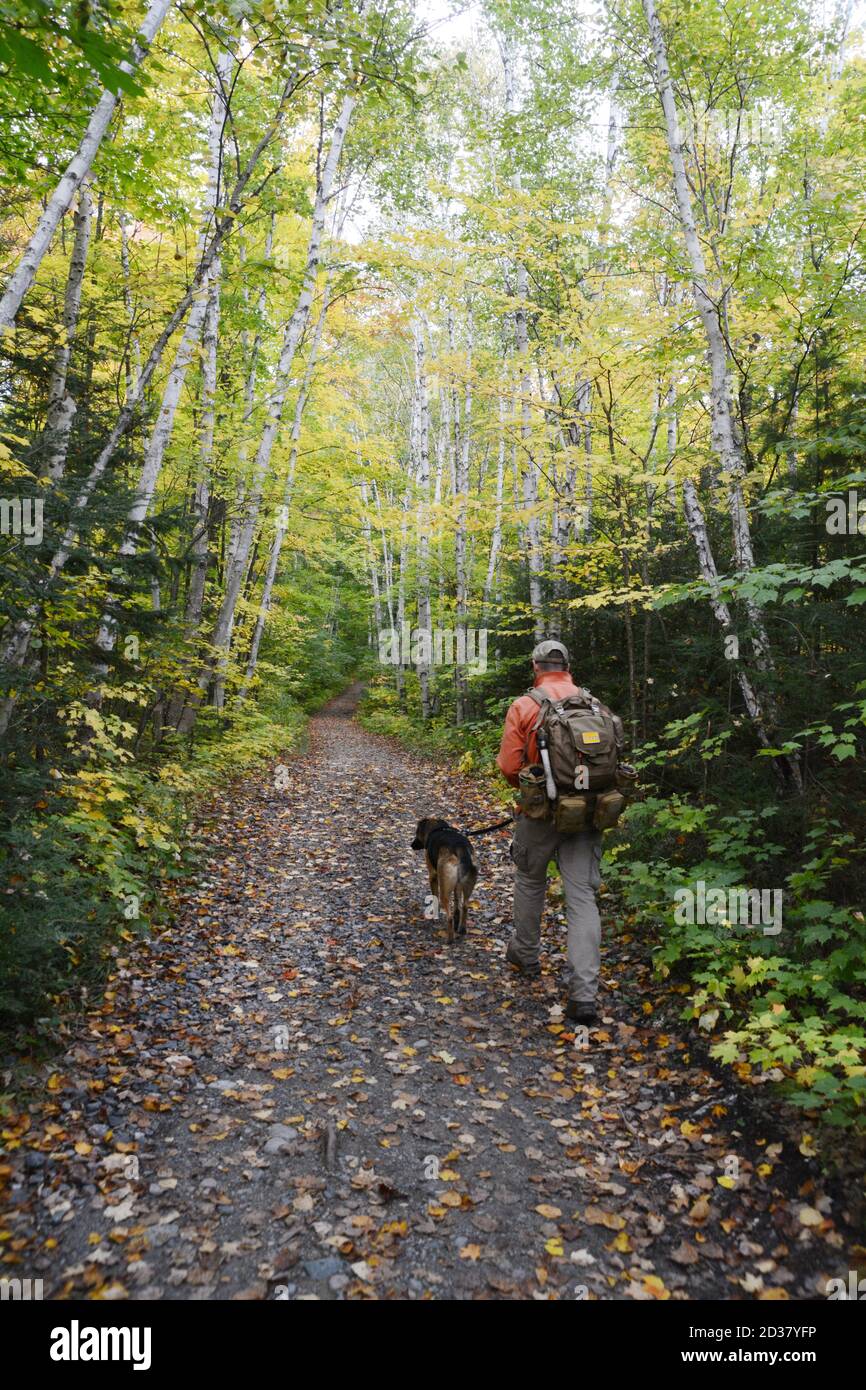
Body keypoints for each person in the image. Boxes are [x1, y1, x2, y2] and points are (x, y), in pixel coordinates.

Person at [496, 639, 603, 1026]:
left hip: (540, 814)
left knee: (529, 879)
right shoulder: (593, 704)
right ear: (568, 665)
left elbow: (509, 768)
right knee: (582, 897)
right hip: (588, 814)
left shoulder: (525, 705)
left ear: (535, 667)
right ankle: (584, 995)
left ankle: (525, 954)